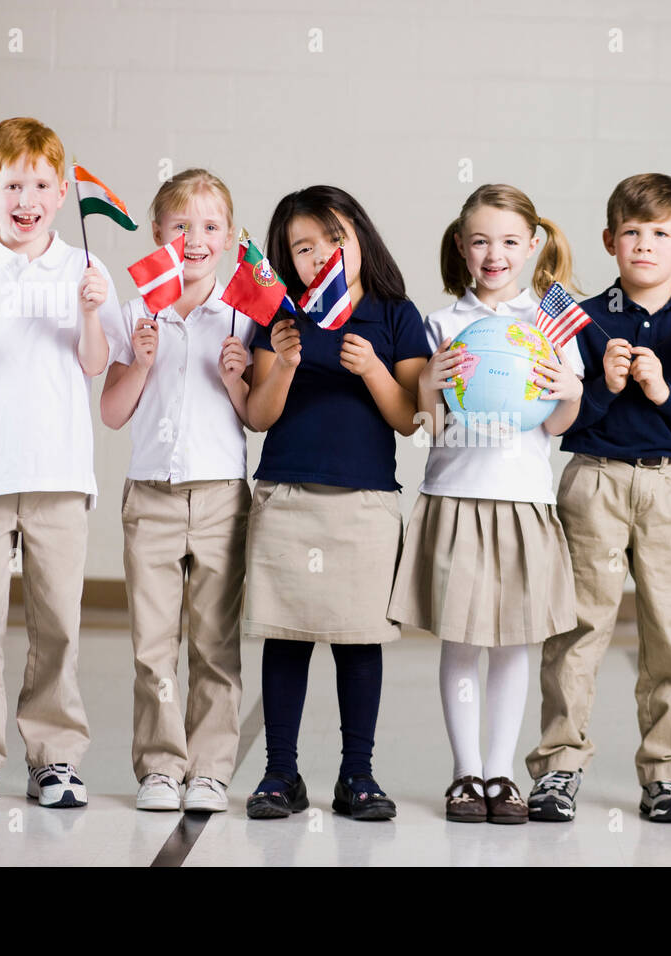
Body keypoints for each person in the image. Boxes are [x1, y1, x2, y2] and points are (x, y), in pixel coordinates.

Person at [526, 173, 671, 823]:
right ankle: (559, 766)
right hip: (596, 480)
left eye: (660, 234)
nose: (645, 245)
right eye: (631, 233)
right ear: (610, 241)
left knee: (670, 632)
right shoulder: (584, 319)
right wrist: (600, 388)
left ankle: (669, 772)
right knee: (579, 627)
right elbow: (557, 420)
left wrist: (661, 393)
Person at [0, 116, 117, 809]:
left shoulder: (86, 270)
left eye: (39, 183)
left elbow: (95, 365)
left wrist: (92, 311)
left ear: (62, 192)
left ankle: (55, 758)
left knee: (57, 623)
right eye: (12, 184)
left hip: (61, 475)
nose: (25, 196)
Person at [388, 184, 584, 824]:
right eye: (479, 242)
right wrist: (427, 382)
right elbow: (434, 429)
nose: (493, 254)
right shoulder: (441, 324)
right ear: (461, 248)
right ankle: (465, 773)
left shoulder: (551, 319)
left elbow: (556, 427)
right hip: (456, 496)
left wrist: (570, 390)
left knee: (515, 644)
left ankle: (502, 774)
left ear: (532, 245)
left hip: (523, 499)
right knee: (462, 641)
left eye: (507, 241)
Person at [241, 185, 430, 821]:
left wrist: (374, 368)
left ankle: (358, 775)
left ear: (359, 240)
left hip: (365, 501)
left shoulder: (394, 313)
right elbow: (259, 415)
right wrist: (287, 362)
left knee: (358, 640)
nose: (318, 254)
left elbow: (409, 418)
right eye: (302, 246)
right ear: (286, 258)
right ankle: (279, 773)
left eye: (333, 238)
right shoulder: (281, 314)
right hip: (288, 494)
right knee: (285, 638)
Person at [100, 168, 253, 813]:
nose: (194, 238)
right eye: (181, 226)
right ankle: (161, 766)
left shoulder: (243, 317)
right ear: (158, 232)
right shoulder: (137, 311)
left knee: (216, 641)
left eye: (209, 227)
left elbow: (254, 414)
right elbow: (111, 412)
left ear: (228, 240)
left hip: (221, 496)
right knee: (153, 642)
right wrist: (139, 359)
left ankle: (212, 767)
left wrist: (241, 377)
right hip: (152, 496)